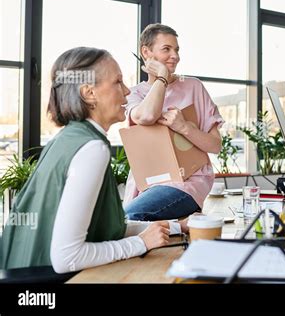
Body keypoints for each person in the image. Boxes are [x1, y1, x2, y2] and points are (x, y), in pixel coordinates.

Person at [1, 47, 188, 273]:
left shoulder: (69, 138)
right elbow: (67, 257)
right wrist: (141, 243)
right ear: (89, 93)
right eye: (118, 82)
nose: (127, 91)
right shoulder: (92, 149)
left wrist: (177, 226)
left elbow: (104, 228)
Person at [123, 23, 224, 221]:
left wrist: (185, 127)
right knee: (125, 226)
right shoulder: (134, 94)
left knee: (131, 217)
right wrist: (162, 77)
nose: (175, 56)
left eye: (176, 49)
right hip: (146, 185)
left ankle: (183, 223)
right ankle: (183, 226)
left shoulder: (193, 86)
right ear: (146, 52)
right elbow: (146, 117)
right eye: (166, 49)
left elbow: (215, 145)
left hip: (188, 181)